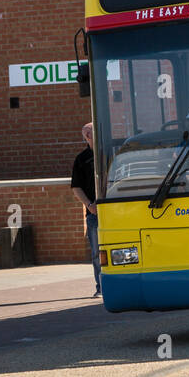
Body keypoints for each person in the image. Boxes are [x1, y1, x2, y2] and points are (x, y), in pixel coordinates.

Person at [70, 122, 102, 298]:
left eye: (90, 131)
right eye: (85, 132)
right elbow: (76, 187)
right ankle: (101, 287)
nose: (88, 134)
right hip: (94, 214)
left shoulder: (109, 154)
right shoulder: (81, 159)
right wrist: (90, 205)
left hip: (116, 211)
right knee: (97, 252)